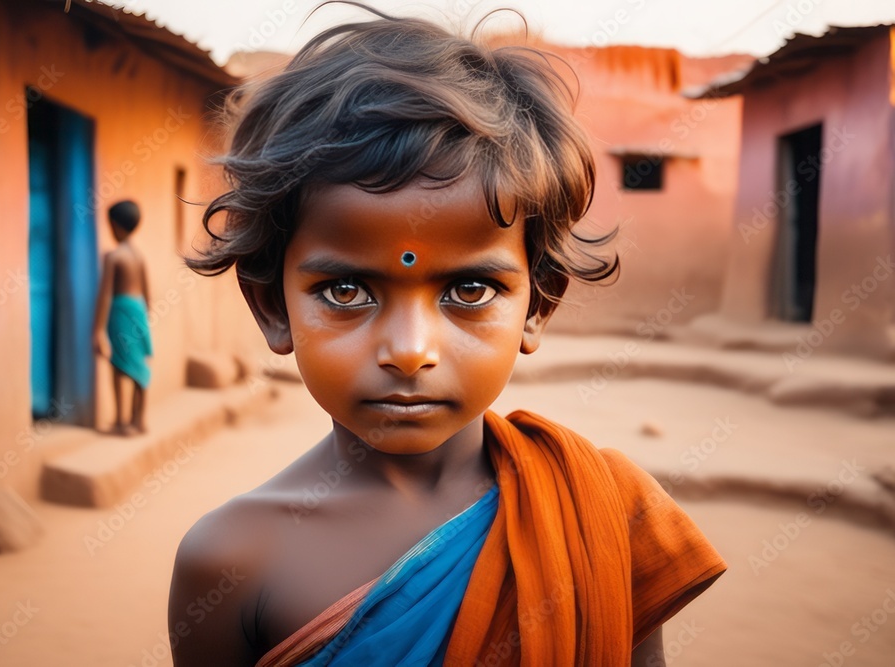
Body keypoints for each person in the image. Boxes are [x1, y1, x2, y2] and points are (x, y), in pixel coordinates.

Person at [169, 8, 726, 666]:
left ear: (538, 304)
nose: (410, 349)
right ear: (272, 307)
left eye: (469, 290)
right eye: (346, 291)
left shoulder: (603, 515)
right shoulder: (230, 561)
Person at [93, 199, 153, 436]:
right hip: (138, 312)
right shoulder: (139, 256)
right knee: (139, 365)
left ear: (116, 226)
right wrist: (144, 320)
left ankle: (120, 422)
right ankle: (138, 420)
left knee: (119, 366)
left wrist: (98, 329)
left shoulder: (113, 257)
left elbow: (105, 295)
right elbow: (147, 294)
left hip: (120, 312)